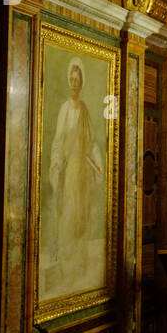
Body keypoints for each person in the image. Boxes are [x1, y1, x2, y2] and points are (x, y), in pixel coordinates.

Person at [48, 57, 102, 292]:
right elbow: (59, 142)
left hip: (83, 173)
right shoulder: (65, 110)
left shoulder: (85, 111)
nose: (73, 84)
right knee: (69, 214)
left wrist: (99, 167)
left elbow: (91, 144)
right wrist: (56, 166)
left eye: (76, 80)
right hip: (70, 171)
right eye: (71, 80)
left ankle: (79, 265)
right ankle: (67, 265)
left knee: (81, 216)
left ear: (82, 84)